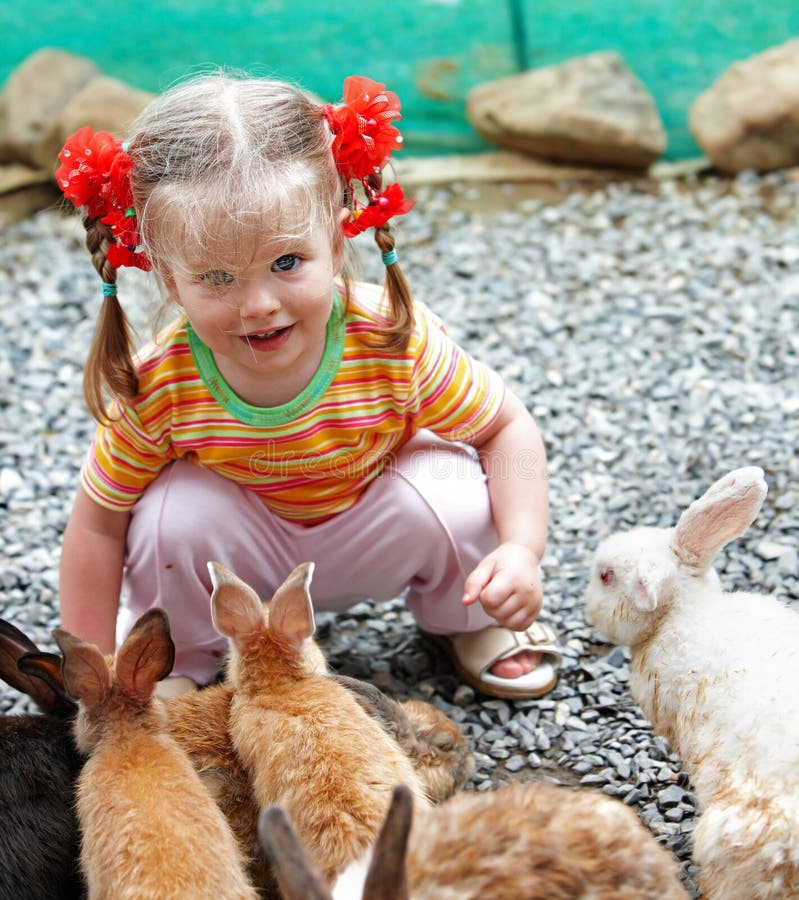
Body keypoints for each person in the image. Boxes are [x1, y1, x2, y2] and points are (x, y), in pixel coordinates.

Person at [55, 72, 560, 700]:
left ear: (335, 231)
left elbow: (505, 430)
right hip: (237, 567)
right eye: (216, 277)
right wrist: (94, 668)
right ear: (165, 276)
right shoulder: (161, 383)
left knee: (451, 482)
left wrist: (520, 549)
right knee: (168, 517)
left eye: (287, 262)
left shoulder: (387, 338)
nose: (259, 304)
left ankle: (474, 612)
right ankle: (178, 653)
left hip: (375, 531)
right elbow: (98, 524)